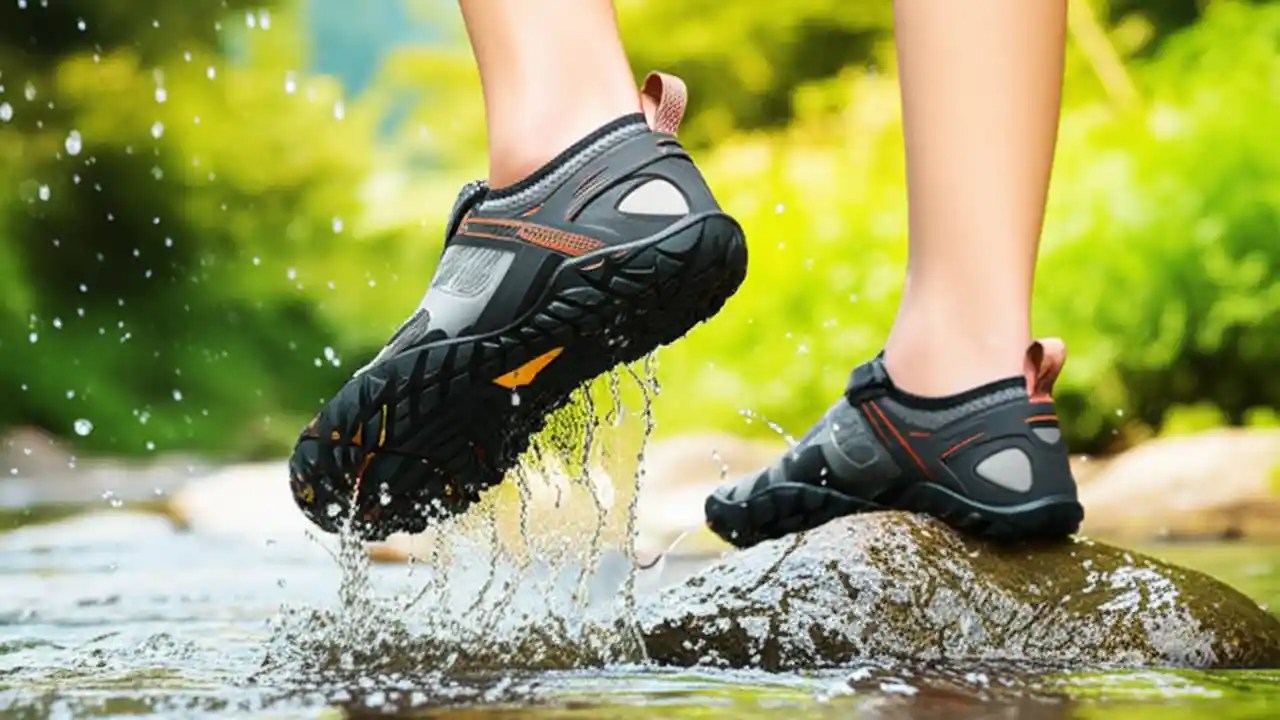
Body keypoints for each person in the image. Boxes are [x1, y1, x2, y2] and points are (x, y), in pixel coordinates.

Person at [288, 0, 1083, 546]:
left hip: (572, 183)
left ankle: (568, 150)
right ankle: (966, 377)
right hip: (974, 404)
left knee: (567, 132)